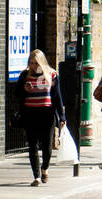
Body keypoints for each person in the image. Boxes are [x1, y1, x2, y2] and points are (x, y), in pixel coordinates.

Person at [16, 50, 66, 187]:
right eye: (31, 63)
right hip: (30, 114)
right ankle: (37, 176)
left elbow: (57, 97)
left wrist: (62, 116)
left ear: (42, 62)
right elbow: (17, 93)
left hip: (47, 114)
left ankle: (45, 168)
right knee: (32, 146)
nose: (32, 66)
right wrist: (24, 89)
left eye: (36, 63)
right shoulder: (24, 75)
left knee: (47, 148)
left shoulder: (52, 75)